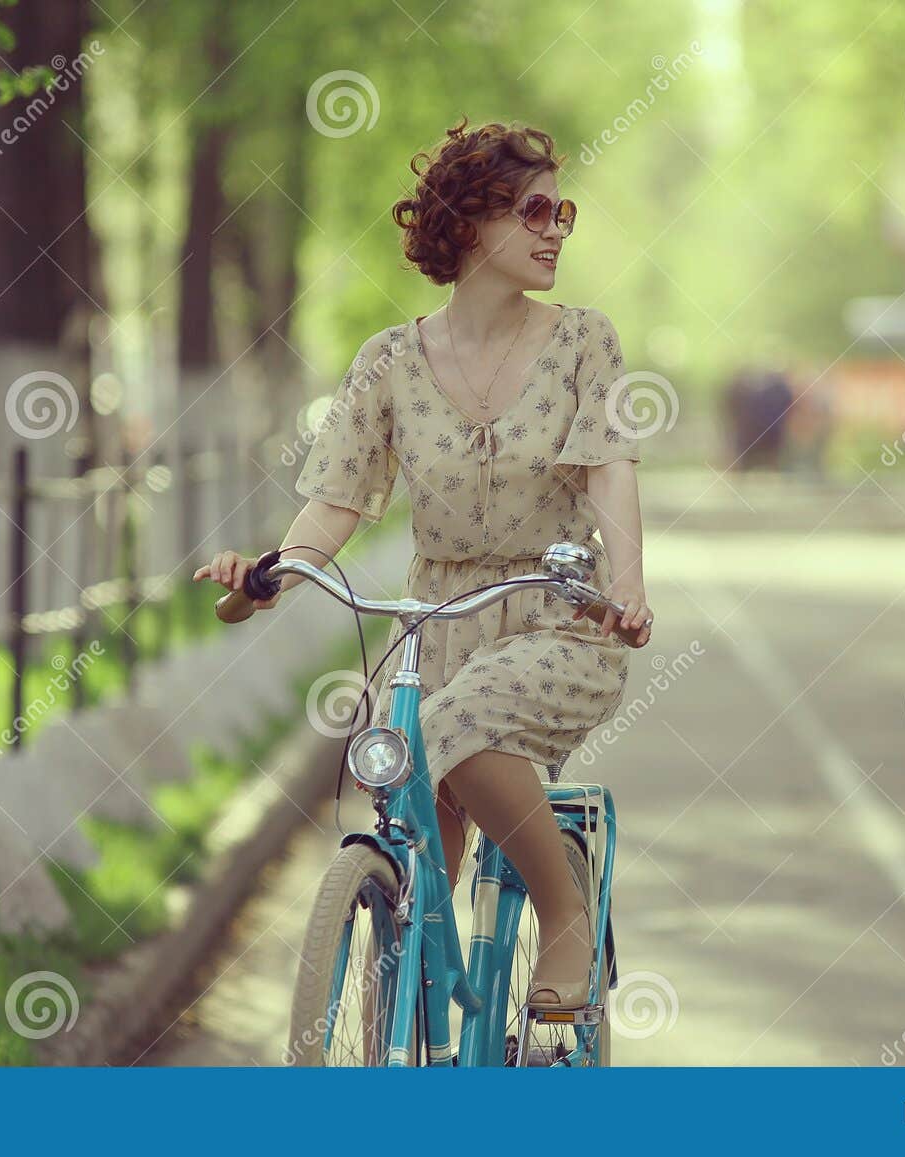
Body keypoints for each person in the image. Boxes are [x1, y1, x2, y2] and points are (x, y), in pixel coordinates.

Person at [193, 118, 653, 1014]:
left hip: (559, 613)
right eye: (535, 210)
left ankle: (564, 914)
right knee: (413, 847)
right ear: (470, 223)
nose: (557, 227)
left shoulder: (585, 342)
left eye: (565, 211)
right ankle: (405, 1037)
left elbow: (611, 472)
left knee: (459, 724)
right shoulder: (389, 363)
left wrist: (627, 585)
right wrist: (270, 578)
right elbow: (335, 500)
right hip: (437, 620)